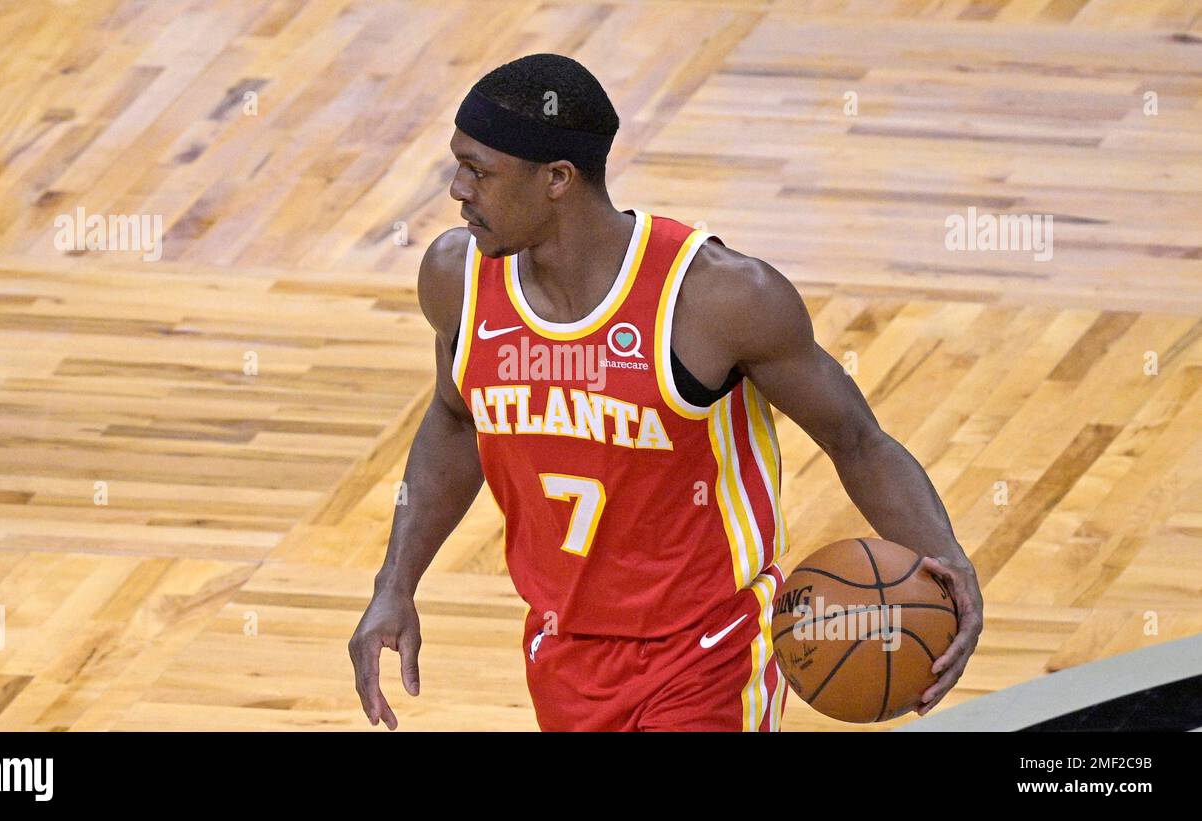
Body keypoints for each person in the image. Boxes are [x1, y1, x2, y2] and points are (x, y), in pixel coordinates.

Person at [349, 53, 982, 731]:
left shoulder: (718, 297)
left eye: (478, 170)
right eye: (458, 164)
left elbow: (857, 440)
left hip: (708, 654)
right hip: (562, 652)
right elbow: (455, 421)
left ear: (557, 178)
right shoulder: (458, 278)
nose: (456, 189)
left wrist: (950, 561)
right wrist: (396, 581)